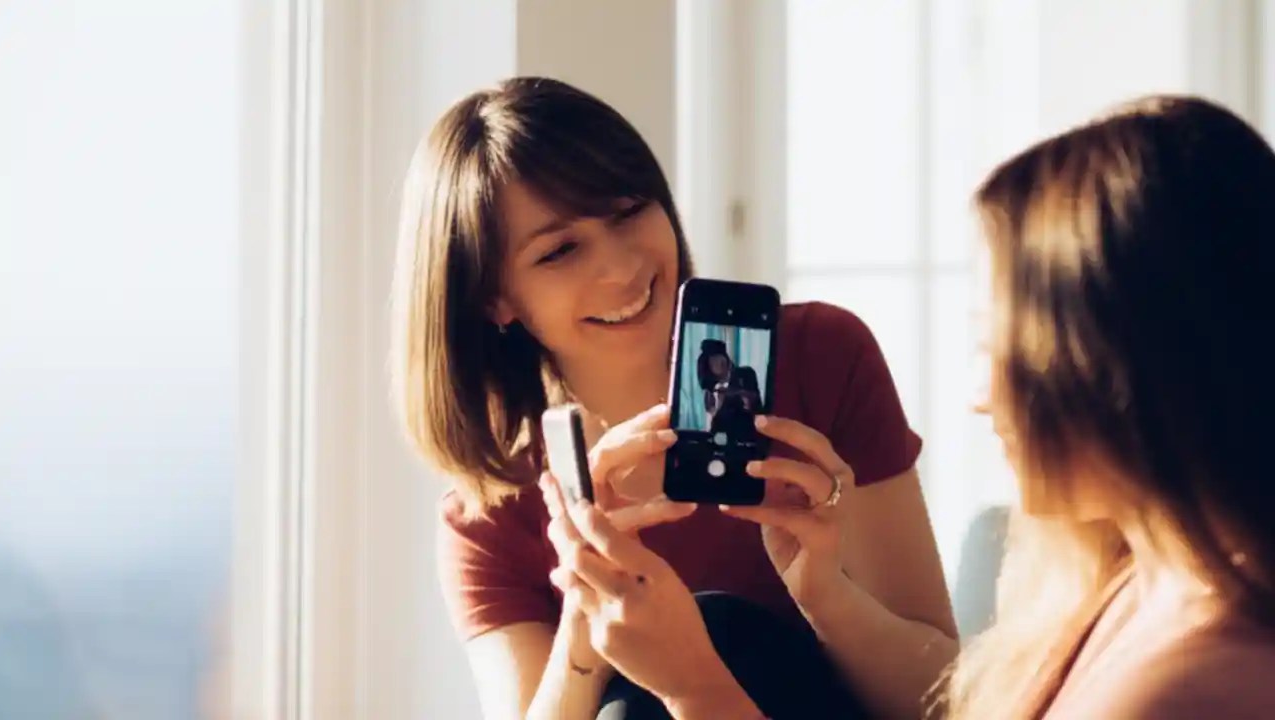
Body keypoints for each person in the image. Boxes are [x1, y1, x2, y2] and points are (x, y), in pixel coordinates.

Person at [392, 77, 955, 719]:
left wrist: (828, 599)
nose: (623, 267)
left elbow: (948, 705)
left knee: (723, 634)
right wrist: (584, 634)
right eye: (561, 251)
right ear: (493, 299)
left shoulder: (822, 358)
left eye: (630, 209)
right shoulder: (490, 512)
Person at [940, 95, 1275, 718]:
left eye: (1002, 353)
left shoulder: (1198, 683)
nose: (981, 399)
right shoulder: (1135, 583)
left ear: (1116, 365)